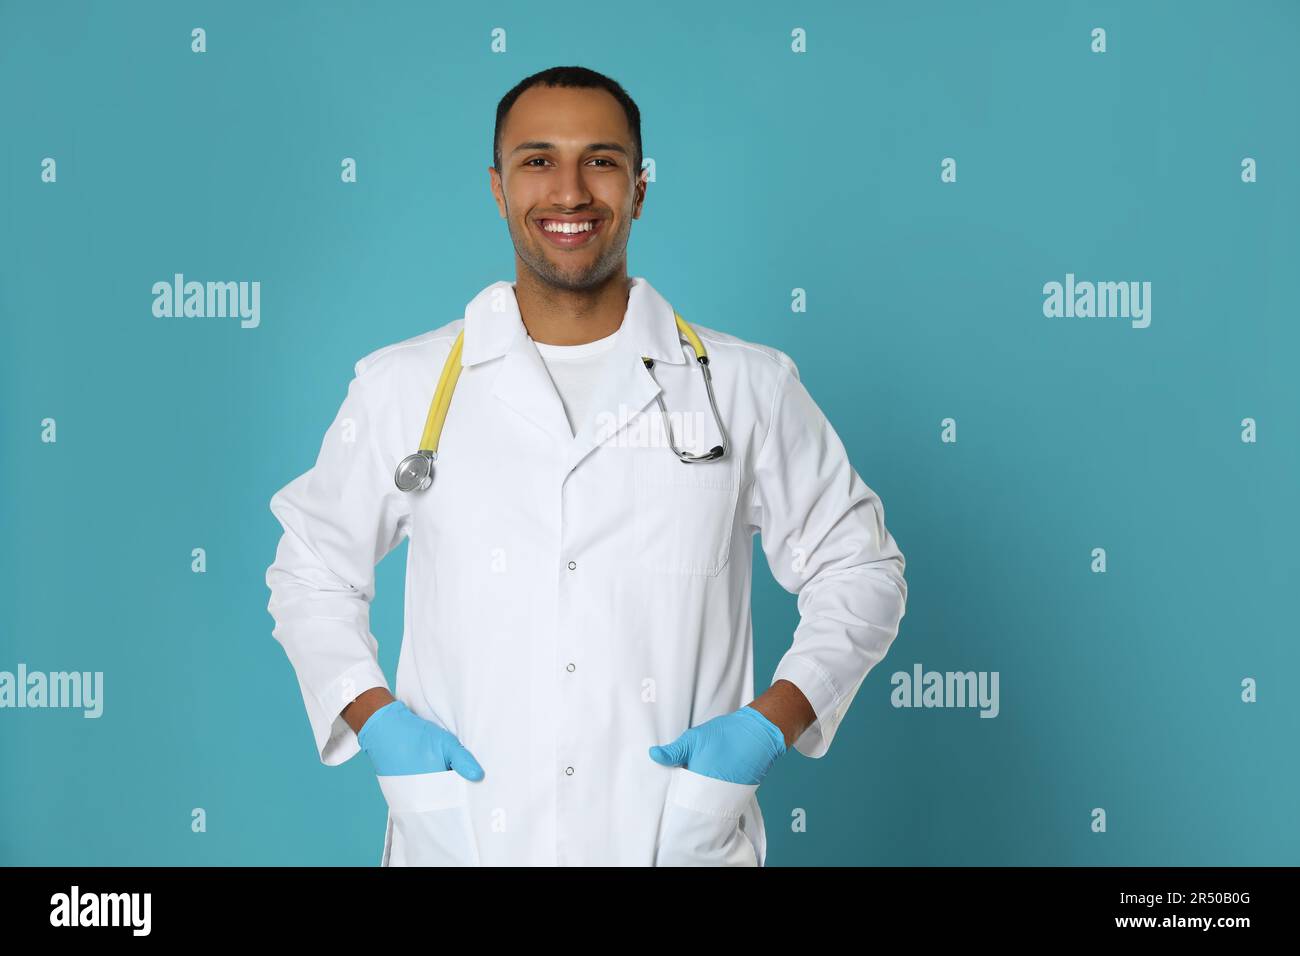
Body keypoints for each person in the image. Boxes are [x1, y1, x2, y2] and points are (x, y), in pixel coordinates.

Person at [265, 65, 908, 867]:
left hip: (673, 839)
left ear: (638, 188)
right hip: (465, 836)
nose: (569, 192)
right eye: (537, 160)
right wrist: (374, 719)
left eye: (600, 161)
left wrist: (769, 720)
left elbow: (862, 569)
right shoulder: (404, 386)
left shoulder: (746, 386)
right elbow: (310, 572)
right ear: (497, 188)